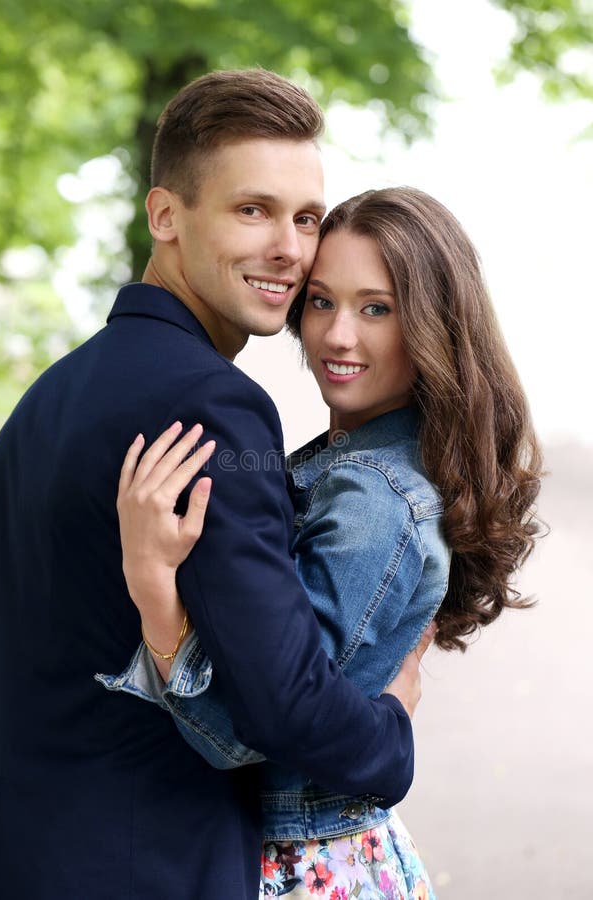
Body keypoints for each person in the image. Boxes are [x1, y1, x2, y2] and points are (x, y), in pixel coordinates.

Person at [0, 71, 432, 900]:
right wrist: (392, 729)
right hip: (151, 864)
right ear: (165, 216)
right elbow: (287, 703)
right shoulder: (213, 407)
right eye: (252, 210)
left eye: (305, 218)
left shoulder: (48, 397)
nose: (290, 249)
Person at [106, 187, 543, 898]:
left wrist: (154, 585)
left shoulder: (375, 498)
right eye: (321, 301)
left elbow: (256, 728)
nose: (339, 336)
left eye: (377, 308)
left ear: (432, 324)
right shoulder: (340, 464)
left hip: (304, 869)